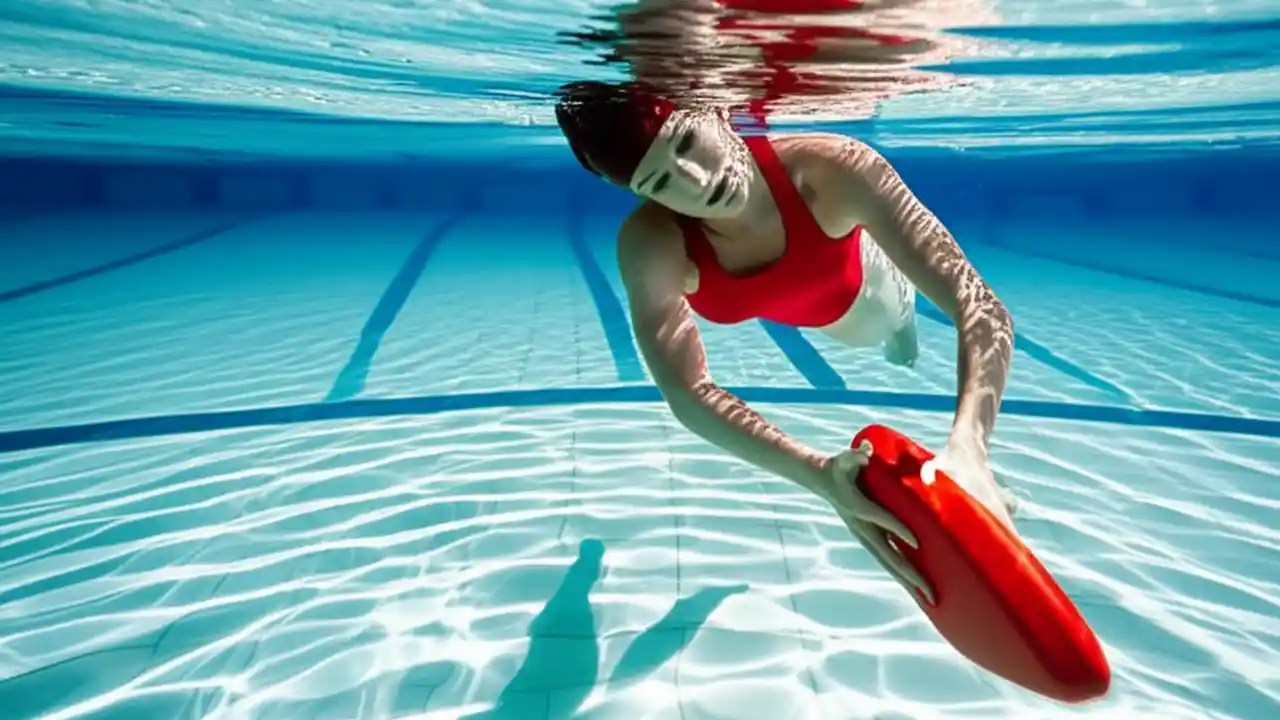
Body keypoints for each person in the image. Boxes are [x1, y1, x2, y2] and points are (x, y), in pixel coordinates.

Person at [554, 80, 1018, 604]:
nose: (695, 180)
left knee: (892, 334)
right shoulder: (653, 243)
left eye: (685, 142)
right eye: (661, 181)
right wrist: (819, 474)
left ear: (715, 110)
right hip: (811, 315)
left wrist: (971, 447)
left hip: (870, 294)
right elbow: (687, 393)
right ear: (644, 194)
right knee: (861, 338)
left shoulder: (830, 170)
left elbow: (979, 304)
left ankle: (903, 332)